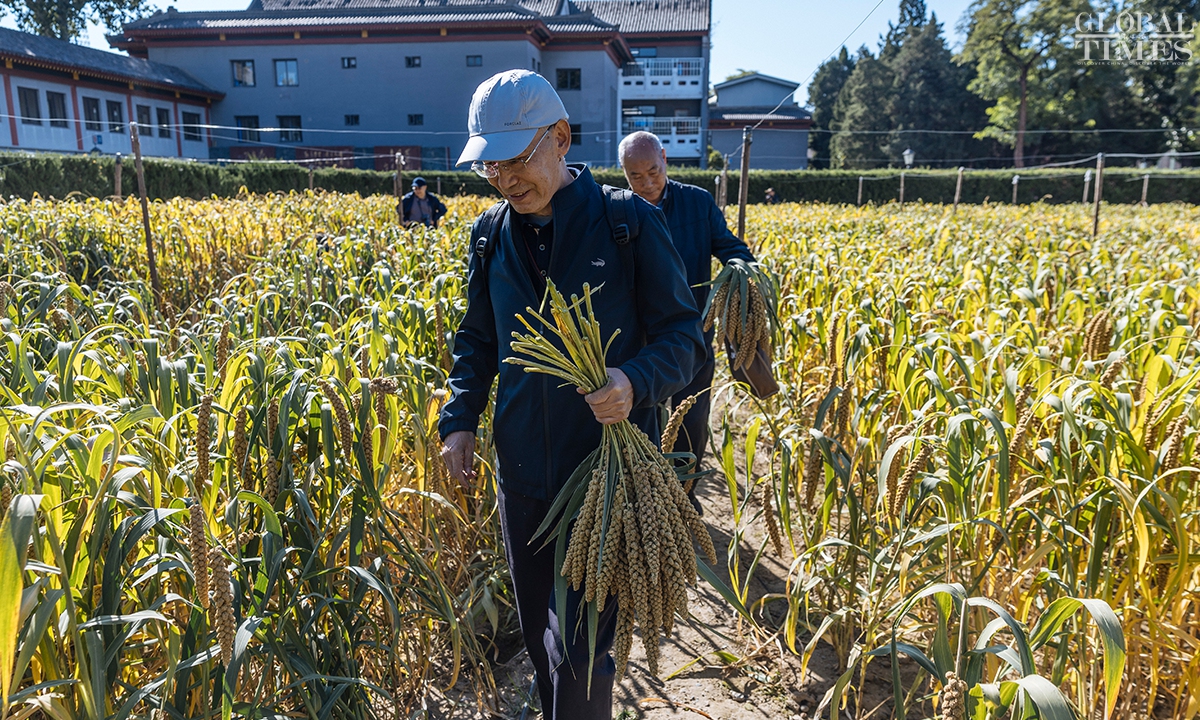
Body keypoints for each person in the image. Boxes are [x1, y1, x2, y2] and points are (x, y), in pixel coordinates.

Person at [438, 70, 704, 720]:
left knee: (584, 653)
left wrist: (633, 381)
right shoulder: (489, 234)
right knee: (543, 642)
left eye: (516, 159)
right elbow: (476, 338)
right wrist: (461, 418)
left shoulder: (627, 224)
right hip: (523, 474)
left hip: (607, 481)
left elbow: (685, 339)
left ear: (560, 137)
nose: (504, 178)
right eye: (490, 166)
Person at [618, 131, 756, 512]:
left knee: (691, 422)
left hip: (690, 338)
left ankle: (683, 500)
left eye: (653, 171)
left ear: (664, 158)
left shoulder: (697, 203)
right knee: (639, 424)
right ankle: (645, 503)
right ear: (623, 174)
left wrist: (744, 270)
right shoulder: (615, 209)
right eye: (635, 177)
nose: (646, 184)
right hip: (637, 343)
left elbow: (729, 247)